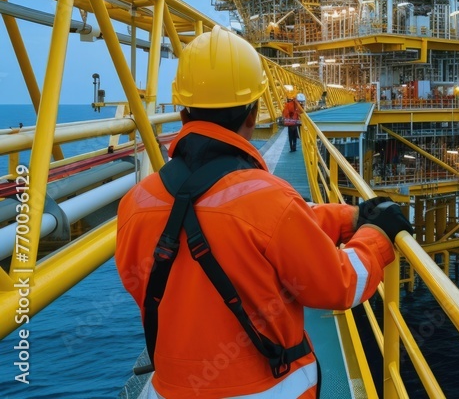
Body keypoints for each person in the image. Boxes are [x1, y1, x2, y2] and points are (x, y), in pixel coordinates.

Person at [116, 25, 412, 398]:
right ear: (254, 113)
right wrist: (378, 235)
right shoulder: (268, 199)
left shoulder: (136, 203)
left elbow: (257, 226)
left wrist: (347, 218)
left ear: (182, 112)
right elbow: (339, 285)